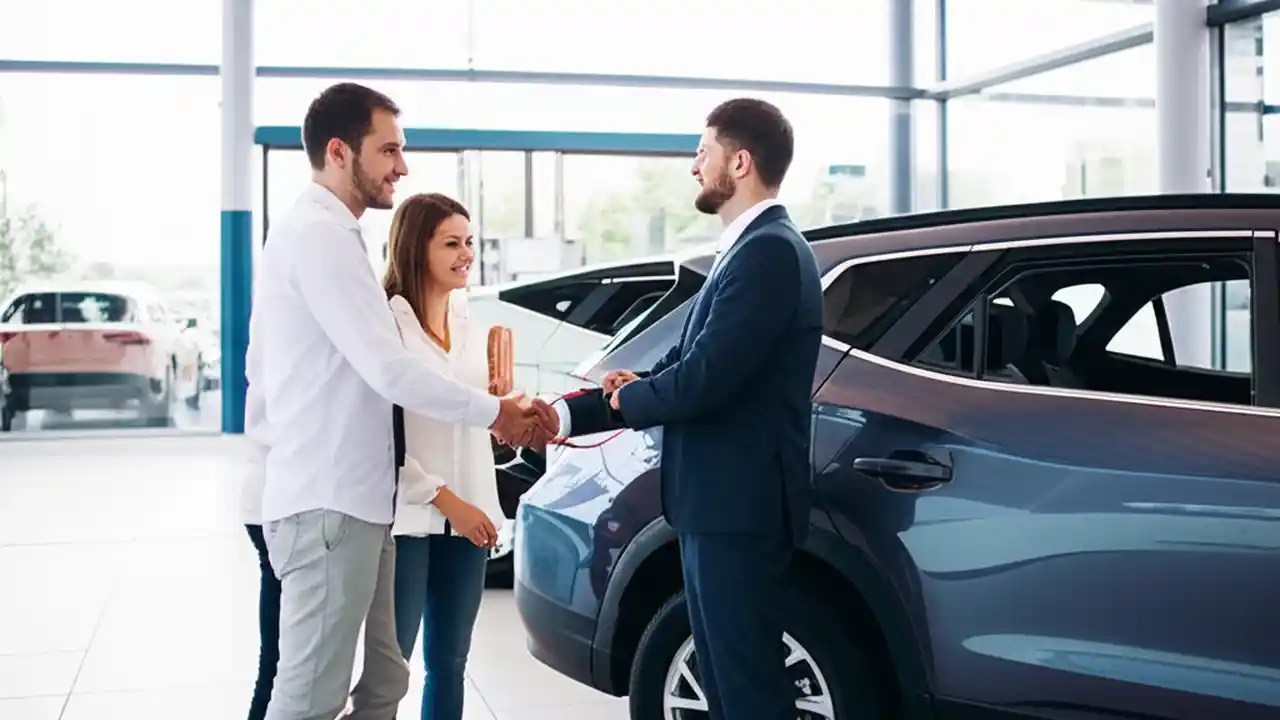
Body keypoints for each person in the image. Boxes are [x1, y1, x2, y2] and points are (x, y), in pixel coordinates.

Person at [246, 82, 544, 720]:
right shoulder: (318, 236)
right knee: (309, 697)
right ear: (338, 151)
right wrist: (499, 414)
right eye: (389, 150)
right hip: (327, 503)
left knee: (386, 681)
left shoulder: (333, 234)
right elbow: (390, 371)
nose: (401, 167)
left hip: (359, 501)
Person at [538, 98, 823, 720]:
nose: (695, 167)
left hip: (738, 511)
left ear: (739, 161)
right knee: (725, 680)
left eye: (703, 153)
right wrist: (619, 392)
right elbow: (690, 363)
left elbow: (707, 380)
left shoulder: (770, 251)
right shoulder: (748, 249)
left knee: (746, 688)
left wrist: (633, 397)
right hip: (718, 507)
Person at [347, 192, 505, 720]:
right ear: (417, 248)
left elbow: (475, 413)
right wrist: (445, 498)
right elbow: (379, 438)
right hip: (408, 521)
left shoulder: (468, 320)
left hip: (471, 522)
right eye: (452, 243)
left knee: (451, 663)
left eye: (470, 242)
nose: (467, 253)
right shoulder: (386, 326)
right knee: (393, 667)